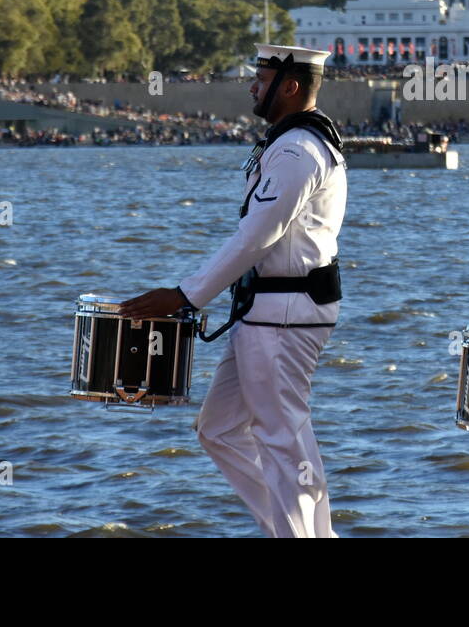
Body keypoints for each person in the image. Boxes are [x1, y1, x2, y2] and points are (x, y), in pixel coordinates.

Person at [122, 44, 347, 538]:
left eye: (261, 79)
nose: (252, 86)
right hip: (265, 311)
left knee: (281, 437)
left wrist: (185, 295)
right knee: (219, 429)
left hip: (283, 314)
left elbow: (258, 235)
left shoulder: (296, 150)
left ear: (289, 86)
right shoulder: (291, 142)